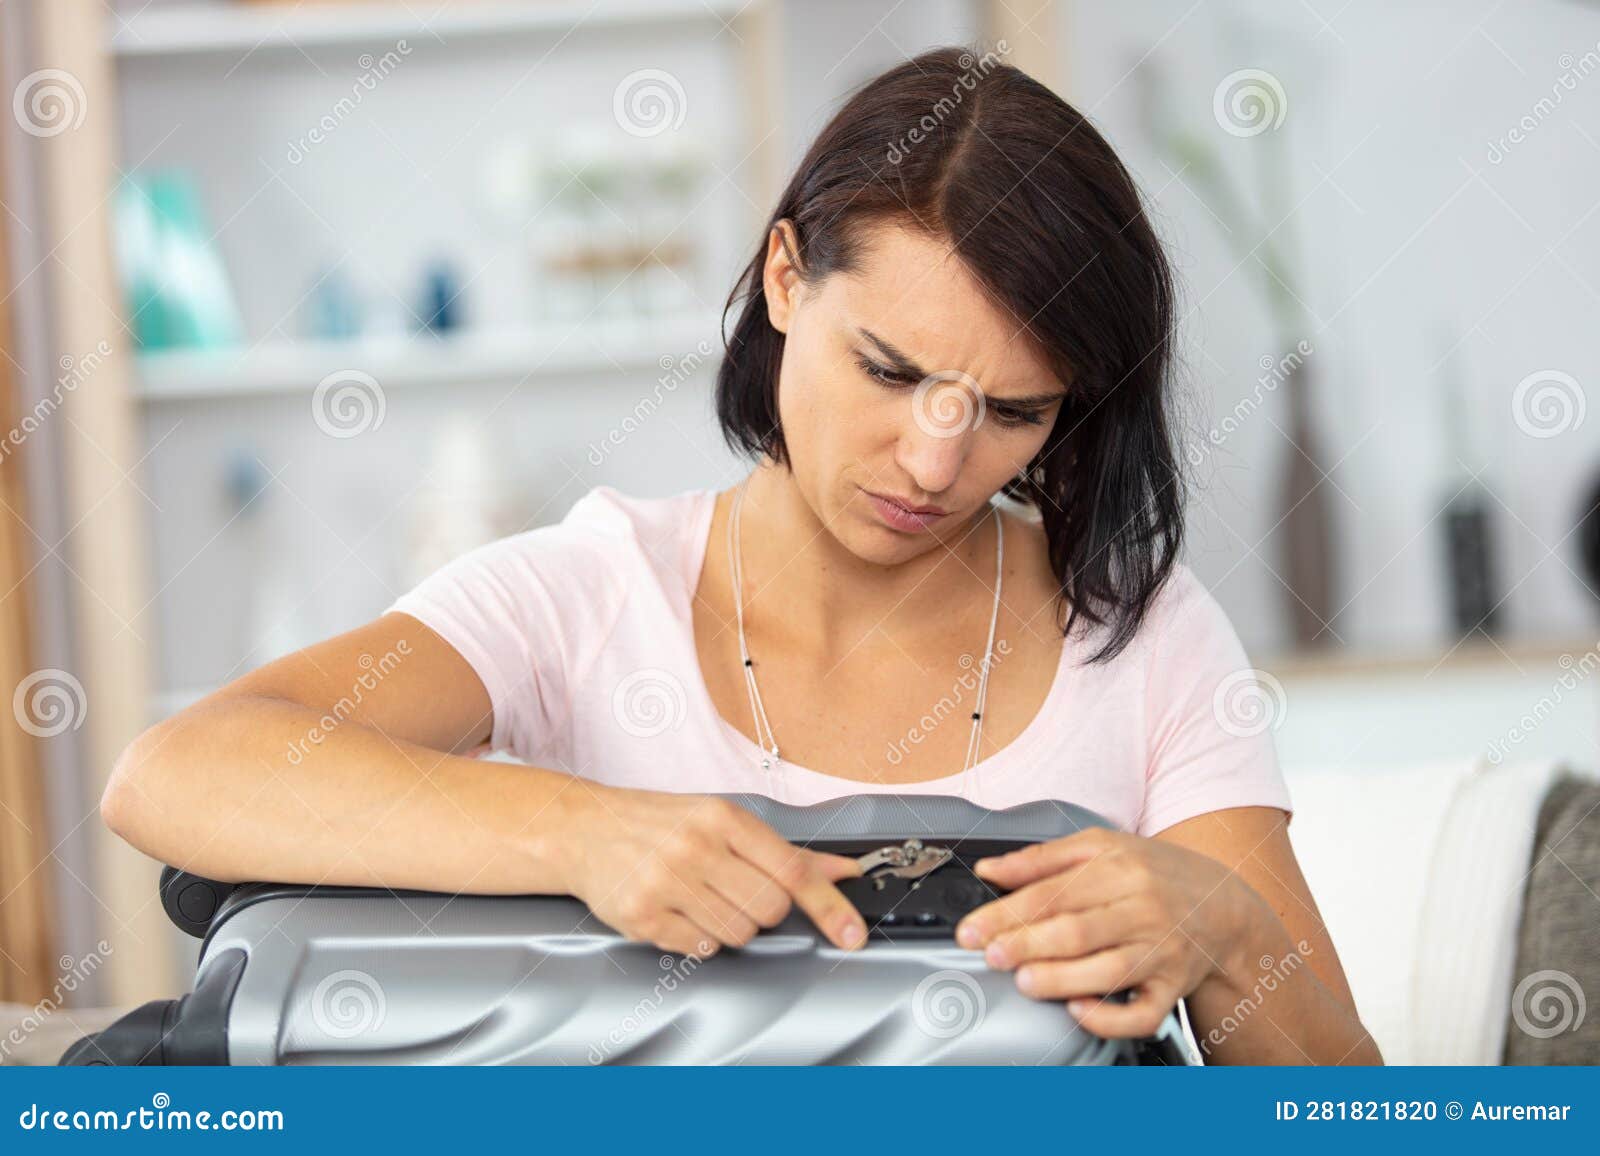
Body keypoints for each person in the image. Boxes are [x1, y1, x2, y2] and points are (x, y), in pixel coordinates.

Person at [103, 47, 1378, 1065]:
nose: (932, 462)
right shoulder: (590, 594)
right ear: (783, 278)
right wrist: (581, 836)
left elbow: (1354, 1110)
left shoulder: (1137, 632)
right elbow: (177, 775)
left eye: (1011, 411)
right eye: (889, 372)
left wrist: (1221, 930)